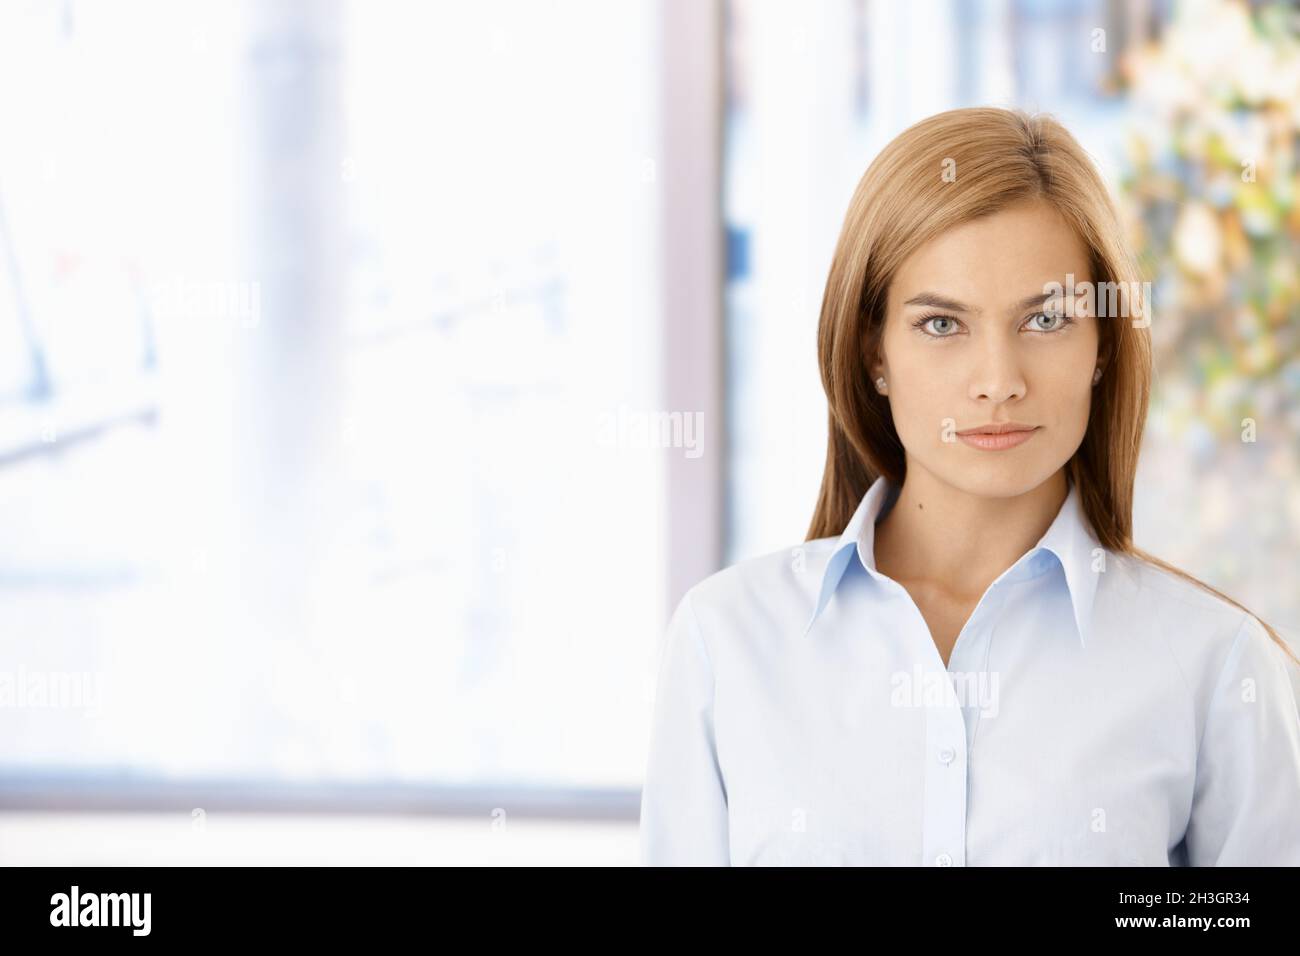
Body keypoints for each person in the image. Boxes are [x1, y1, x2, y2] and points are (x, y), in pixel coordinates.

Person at [639, 106, 1300, 866]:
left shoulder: (1217, 668)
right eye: (942, 325)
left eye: (1046, 320)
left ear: (1103, 349)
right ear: (872, 353)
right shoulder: (726, 643)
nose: (998, 382)